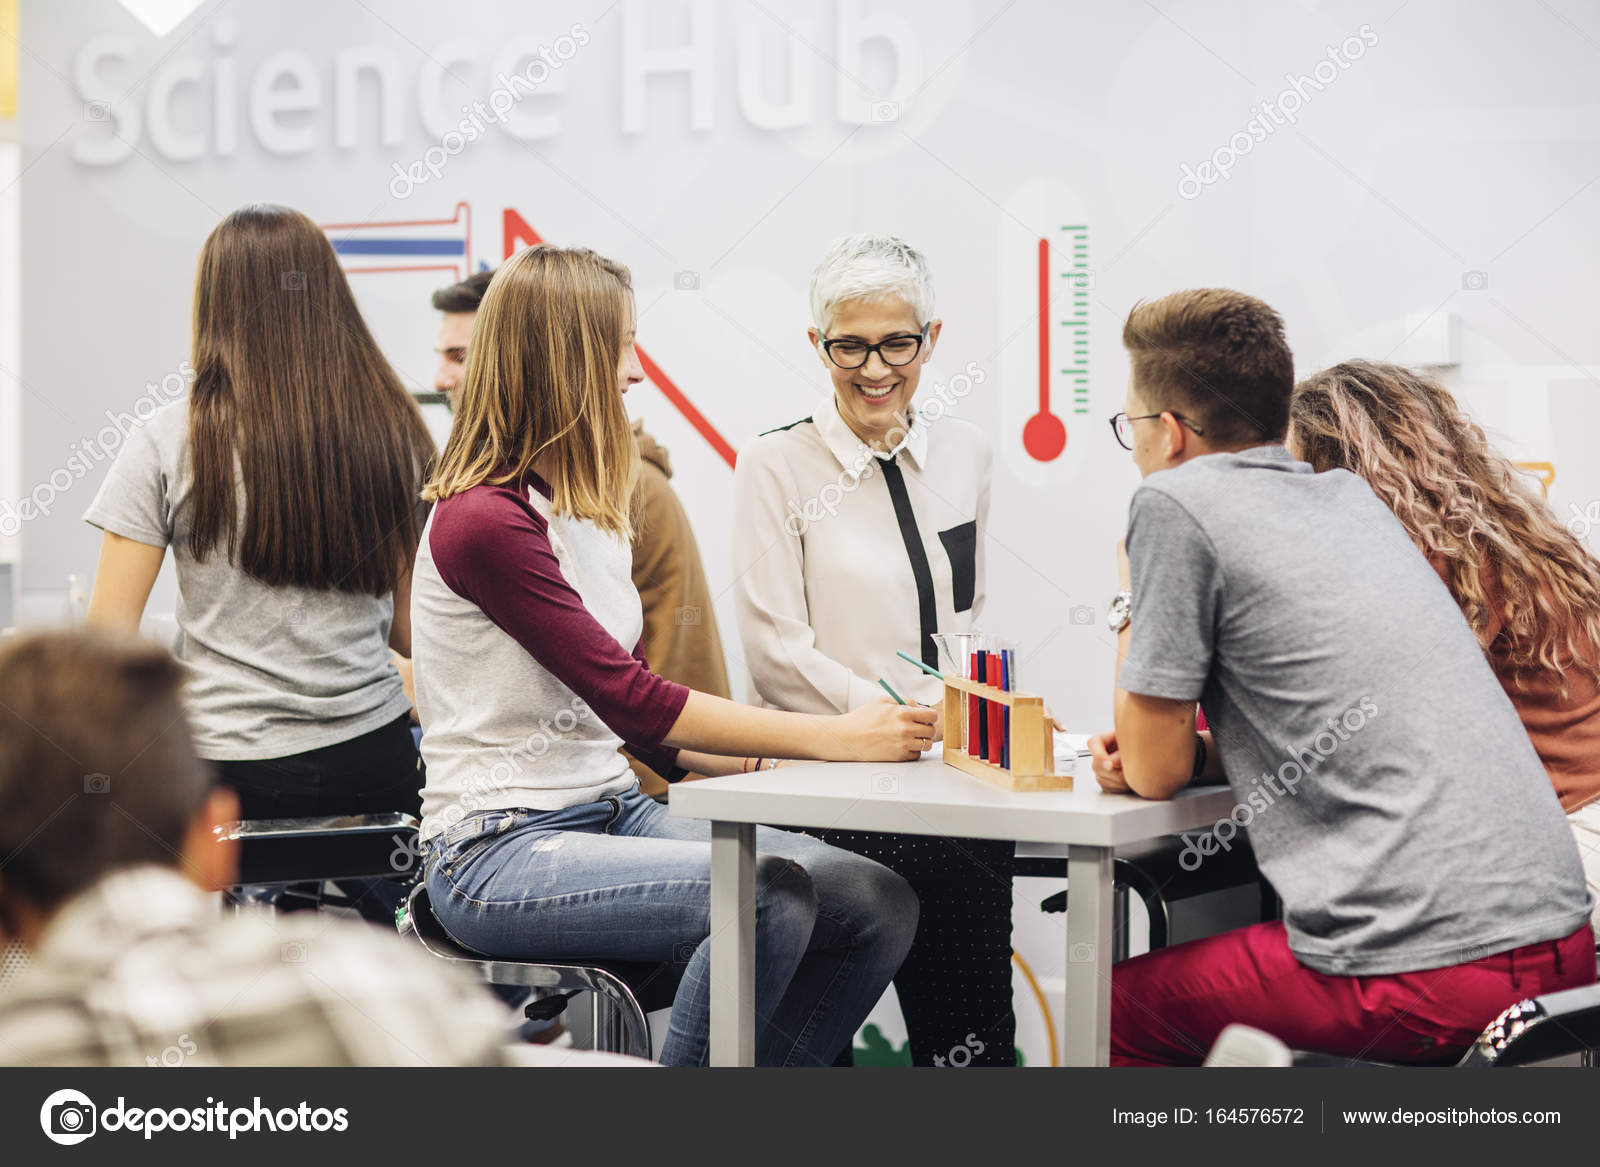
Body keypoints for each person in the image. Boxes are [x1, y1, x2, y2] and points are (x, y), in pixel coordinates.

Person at [409, 243, 934, 1067]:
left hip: (611, 809)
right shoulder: (484, 520)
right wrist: (837, 737)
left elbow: (640, 731)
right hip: (494, 851)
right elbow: (634, 699)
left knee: (876, 901)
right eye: (621, 346)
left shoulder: (591, 502)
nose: (635, 372)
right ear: (567, 360)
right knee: (762, 898)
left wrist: (777, 769)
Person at [1089, 288, 1595, 1067]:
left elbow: (1152, 773)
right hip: (1564, 949)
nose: (1135, 449)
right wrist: (1204, 752)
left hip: (1435, 971)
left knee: (1111, 1009)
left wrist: (1130, 592)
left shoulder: (1171, 502)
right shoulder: (1350, 499)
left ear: (1171, 431)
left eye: (1131, 426)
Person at [731, 234, 1014, 1067]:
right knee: (814, 1056)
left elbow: (967, 616)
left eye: (898, 343)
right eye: (849, 346)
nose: (875, 368)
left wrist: (947, 719)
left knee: (972, 1046)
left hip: (953, 795)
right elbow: (775, 652)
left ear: (932, 337)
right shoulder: (776, 463)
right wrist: (888, 723)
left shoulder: (966, 452)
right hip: (826, 799)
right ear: (817, 343)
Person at [0, 628, 511, 1067]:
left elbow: (109, 621)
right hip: (374, 764)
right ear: (217, 840)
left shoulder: (21, 1047)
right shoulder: (405, 991)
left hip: (239, 761)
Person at [83, 205, 435, 840]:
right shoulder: (396, 432)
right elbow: (414, 632)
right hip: (373, 760)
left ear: (214, 303)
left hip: (225, 768)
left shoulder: (168, 437)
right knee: (387, 900)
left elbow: (107, 645)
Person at [1290, 361, 1600, 931]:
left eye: (1302, 474)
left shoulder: (1444, 560)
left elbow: (1362, 734)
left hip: (1570, 848)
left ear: (1346, 472)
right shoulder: (1485, 538)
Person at [425, 269, 732, 796]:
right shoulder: (490, 509)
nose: (438, 379)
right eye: (622, 347)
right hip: (569, 796)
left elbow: (646, 691)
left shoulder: (611, 492)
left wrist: (783, 762)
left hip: (643, 780)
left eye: (459, 356)